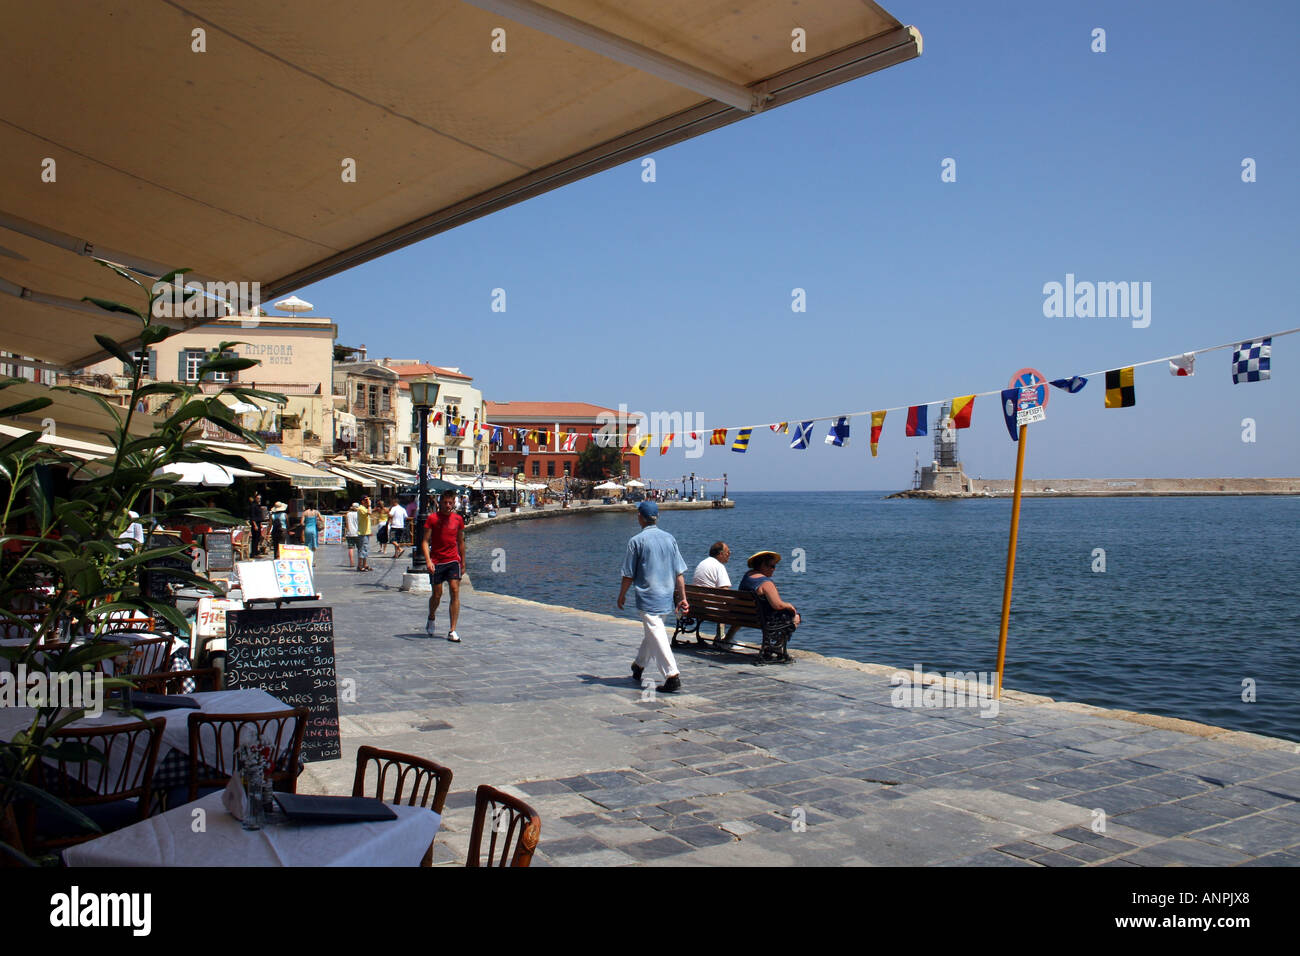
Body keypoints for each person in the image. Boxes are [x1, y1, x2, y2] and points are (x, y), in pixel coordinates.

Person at [618, 501, 689, 694]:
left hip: (647, 596)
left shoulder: (636, 541)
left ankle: (671, 675)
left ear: (640, 517)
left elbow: (628, 574)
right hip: (666, 596)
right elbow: (679, 573)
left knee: (656, 633)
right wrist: (683, 597)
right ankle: (639, 665)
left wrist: (621, 595)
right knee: (654, 632)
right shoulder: (670, 539)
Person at [422, 488, 465, 642]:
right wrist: (428, 560)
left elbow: (460, 541)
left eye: (450, 503)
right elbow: (425, 542)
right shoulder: (432, 519)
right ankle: (431, 616)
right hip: (437, 561)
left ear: (454, 504)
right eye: (445, 502)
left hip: (453, 560)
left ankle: (452, 630)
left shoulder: (458, 519)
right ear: (440, 503)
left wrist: (463, 562)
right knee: (437, 594)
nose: (448, 505)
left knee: (454, 591)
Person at [693, 541, 741, 648]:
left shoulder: (702, 564)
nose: (730, 554)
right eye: (728, 552)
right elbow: (725, 592)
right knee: (741, 611)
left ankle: (721, 638)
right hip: (712, 609)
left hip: (697, 608)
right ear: (720, 554)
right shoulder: (719, 567)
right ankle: (725, 639)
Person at [738, 550, 801, 632]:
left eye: (774, 566)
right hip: (762, 620)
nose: (774, 569)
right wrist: (789, 606)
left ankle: (727, 638)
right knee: (795, 616)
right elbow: (778, 605)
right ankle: (781, 642)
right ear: (763, 565)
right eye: (772, 566)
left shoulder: (747, 575)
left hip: (742, 615)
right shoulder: (766, 583)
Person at [356, 496, 373, 571]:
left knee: (365, 548)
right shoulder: (361, 508)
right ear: (362, 501)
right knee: (362, 549)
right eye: (366, 500)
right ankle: (360, 565)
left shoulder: (364, 508)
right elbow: (369, 513)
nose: (368, 501)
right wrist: (369, 505)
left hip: (366, 532)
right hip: (362, 532)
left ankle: (364, 564)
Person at [344, 502, 360, 568]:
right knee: (360, 548)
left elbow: (346, 524)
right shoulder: (359, 514)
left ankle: (351, 562)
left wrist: (346, 533)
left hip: (350, 533)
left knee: (351, 548)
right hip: (358, 533)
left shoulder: (348, 514)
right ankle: (360, 562)